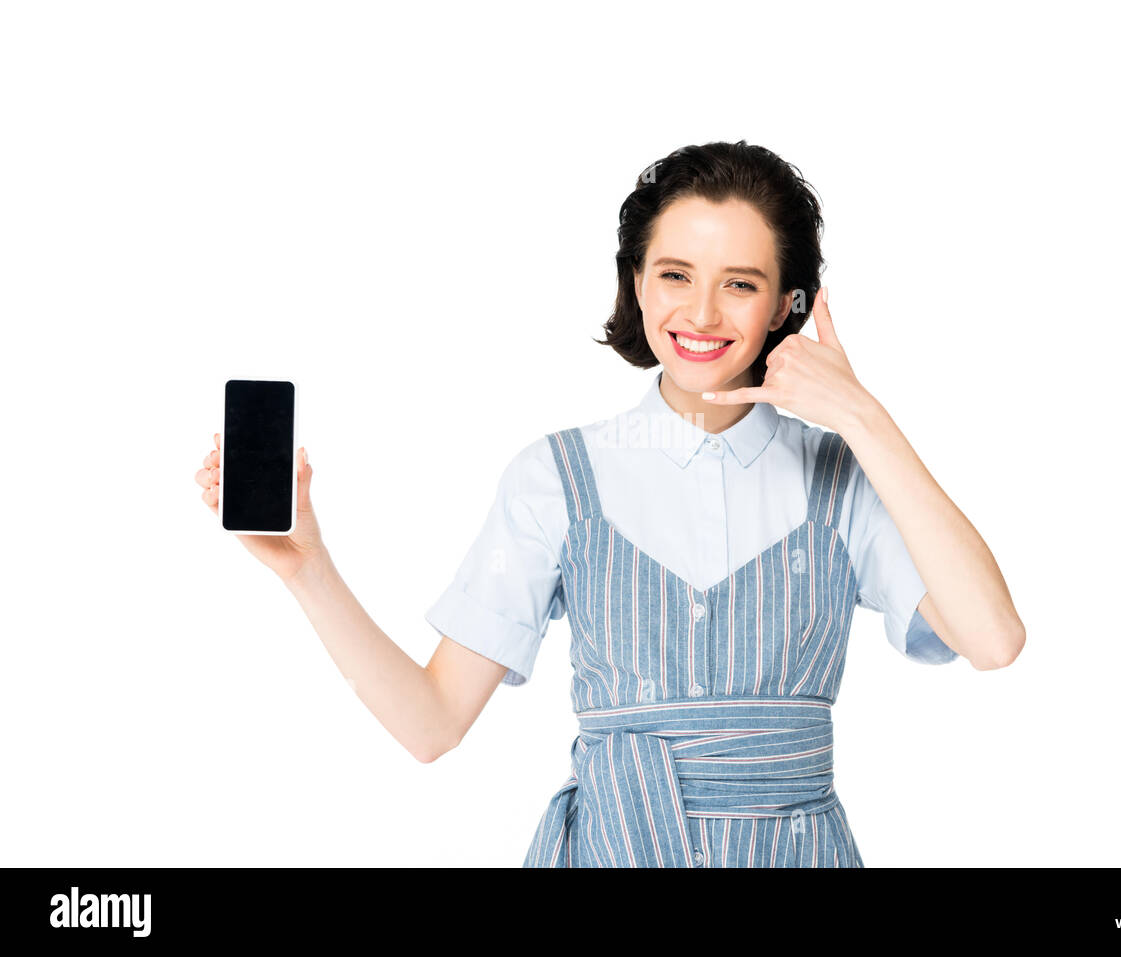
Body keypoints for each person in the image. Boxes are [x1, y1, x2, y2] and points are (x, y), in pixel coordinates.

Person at [195, 140, 1025, 867]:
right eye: (674, 275)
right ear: (637, 281)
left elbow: (993, 638)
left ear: (787, 305)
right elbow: (431, 723)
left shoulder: (842, 476)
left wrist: (862, 416)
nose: (700, 314)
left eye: (740, 283)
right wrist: (308, 570)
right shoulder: (555, 476)